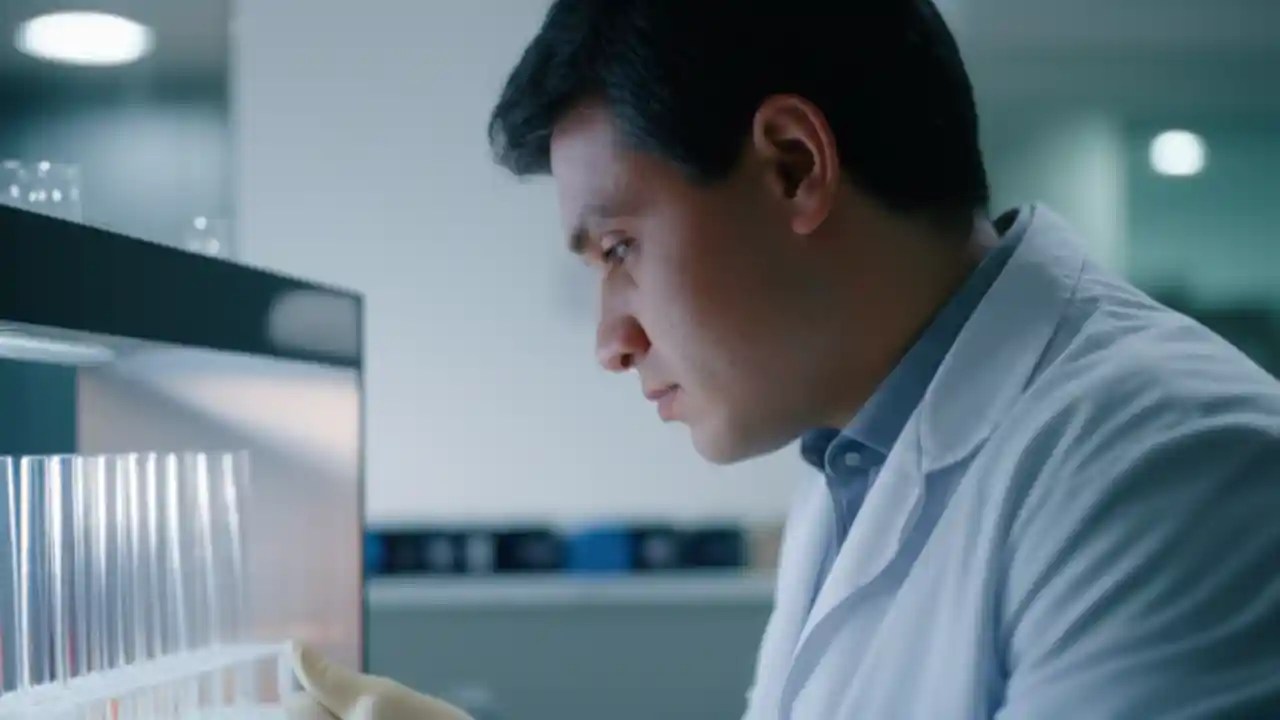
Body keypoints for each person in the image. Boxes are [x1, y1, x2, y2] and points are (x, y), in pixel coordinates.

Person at [288, 1, 1280, 718]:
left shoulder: (1175, 474)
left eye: (620, 248)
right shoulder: (855, 454)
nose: (610, 342)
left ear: (793, 166)